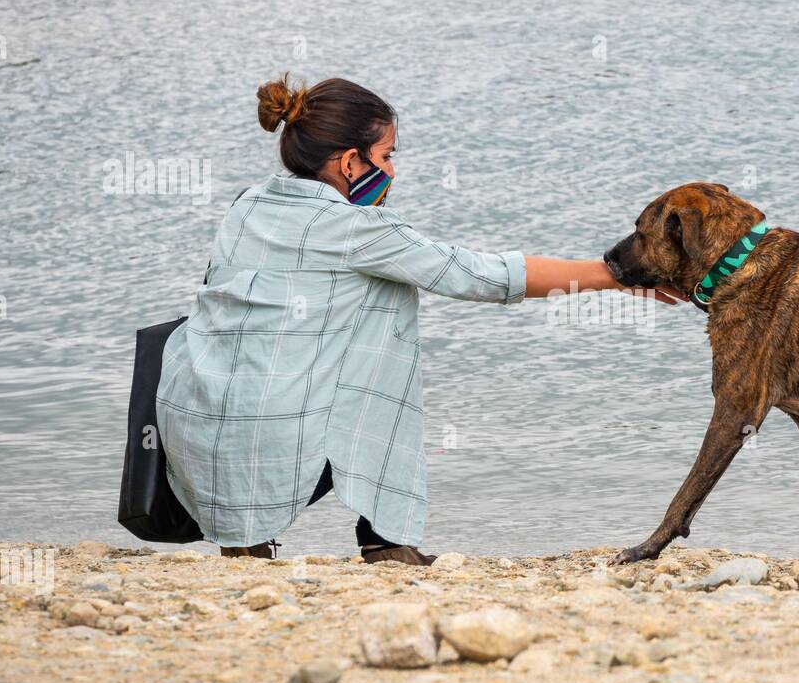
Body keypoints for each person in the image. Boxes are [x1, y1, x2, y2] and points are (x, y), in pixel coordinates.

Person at [157, 75, 679, 565]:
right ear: (348, 163)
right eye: (385, 156)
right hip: (268, 448)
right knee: (386, 311)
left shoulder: (247, 205)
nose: (392, 171)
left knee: (335, 313)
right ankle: (386, 539)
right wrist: (617, 275)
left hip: (193, 433)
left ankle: (248, 541)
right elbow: (483, 276)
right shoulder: (357, 228)